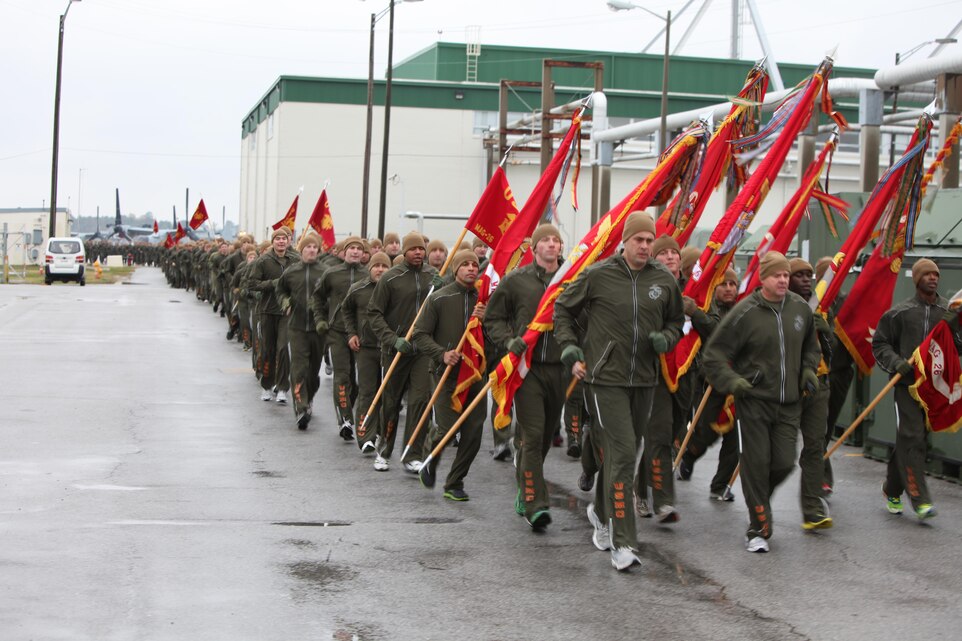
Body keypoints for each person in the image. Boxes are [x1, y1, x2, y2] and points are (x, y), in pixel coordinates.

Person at [555, 212, 684, 570]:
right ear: (624, 241)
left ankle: (599, 508)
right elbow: (562, 308)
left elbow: (676, 321)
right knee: (625, 454)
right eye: (639, 239)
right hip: (603, 378)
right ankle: (623, 543)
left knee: (622, 452)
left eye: (649, 240)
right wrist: (570, 348)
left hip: (644, 380)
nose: (645, 246)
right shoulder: (599, 275)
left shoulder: (664, 281)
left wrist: (668, 338)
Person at [702, 251, 820, 553]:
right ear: (763, 278)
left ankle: (758, 500)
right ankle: (758, 528)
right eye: (777, 275)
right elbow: (713, 355)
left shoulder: (800, 310)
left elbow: (811, 346)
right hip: (753, 401)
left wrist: (808, 368)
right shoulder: (744, 313)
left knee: (783, 462)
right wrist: (733, 382)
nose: (783, 280)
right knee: (755, 464)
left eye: (785, 275)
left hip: (790, 402)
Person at [485, 224, 567, 530]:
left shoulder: (572, 279)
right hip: (526, 368)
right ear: (534, 248)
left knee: (545, 437)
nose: (550, 245)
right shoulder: (516, 281)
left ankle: (525, 482)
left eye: (555, 240)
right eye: (544, 240)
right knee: (532, 435)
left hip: (558, 367)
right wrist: (508, 340)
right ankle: (535, 503)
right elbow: (493, 318)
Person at [873, 258, 962, 520]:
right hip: (907, 387)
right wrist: (896, 363)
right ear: (917, 280)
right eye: (927, 275)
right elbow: (880, 344)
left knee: (913, 439)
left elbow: (957, 348)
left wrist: (953, 326)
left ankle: (891, 488)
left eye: (936, 275)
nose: (933, 278)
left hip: (935, 388)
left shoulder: (949, 312)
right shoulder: (899, 313)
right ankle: (920, 499)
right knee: (912, 436)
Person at [413, 249, 487, 501]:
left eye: (474, 265)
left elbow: (497, 336)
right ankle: (430, 458)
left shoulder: (484, 301)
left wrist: (486, 320)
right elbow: (420, 334)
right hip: (446, 374)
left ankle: (455, 482)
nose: (470, 268)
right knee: (446, 428)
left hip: (477, 375)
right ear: (455, 269)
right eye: (464, 264)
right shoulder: (439, 299)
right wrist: (441, 354)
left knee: (474, 432)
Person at [367, 232, 441, 472]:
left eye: (421, 249)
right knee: (391, 402)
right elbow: (374, 314)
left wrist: (444, 287)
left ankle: (412, 453)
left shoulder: (434, 276)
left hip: (423, 350)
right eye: (413, 249)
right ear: (404, 252)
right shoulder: (390, 278)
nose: (418, 252)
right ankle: (384, 450)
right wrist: (392, 339)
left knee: (420, 401)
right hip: (397, 350)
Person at [677, 268, 740, 502]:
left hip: (735, 384)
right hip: (709, 382)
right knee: (705, 435)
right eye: (723, 284)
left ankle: (720, 484)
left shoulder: (743, 311)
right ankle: (689, 456)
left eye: (733, 284)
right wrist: (695, 313)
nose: (729, 289)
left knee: (734, 439)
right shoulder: (706, 310)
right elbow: (714, 333)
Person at [636, 234, 686, 522]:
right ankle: (664, 500)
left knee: (668, 436)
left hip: (685, 374)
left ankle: (639, 487)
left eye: (673, 252)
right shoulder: (649, 286)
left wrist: (695, 312)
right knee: (660, 435)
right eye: (663, 252)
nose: (669, 257)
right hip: (654, 371)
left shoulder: (694, 289)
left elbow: (713, 327)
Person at [787, 258, 834, 530]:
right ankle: (760, 505)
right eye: (799, 275)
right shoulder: (781, 306)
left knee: (815, 447)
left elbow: (832, 353)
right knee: (780, 452)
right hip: (788, 386)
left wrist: (826, 332)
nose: (806, 279)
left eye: (809, 275)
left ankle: (813, 508)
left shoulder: (821, 308)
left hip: (818, 384)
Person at [311, 236, 366, 440]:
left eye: (358, 249)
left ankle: (349, 409)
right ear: (343, 251)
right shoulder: (332, 273)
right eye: (351, 248)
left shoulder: (368, 274)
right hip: (337, 332)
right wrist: (320, 320)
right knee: (342, 376)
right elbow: (317, 297)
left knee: (356, 380)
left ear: (363, 253)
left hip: (361, 334)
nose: (354, 252)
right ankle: (345, 419)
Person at [276, 233, 328, 430]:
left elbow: (335, 296)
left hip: (318, 328)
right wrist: (285, 302)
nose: (312, 250)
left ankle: (309, 396)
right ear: (301, 249)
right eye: (308, 247)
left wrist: (324, 308)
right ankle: (301, 408)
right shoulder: (291, 272)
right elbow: (280, 291)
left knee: (313, 371)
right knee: (299, 369)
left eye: (315, 247)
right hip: (297, 327)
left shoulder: (325, 272)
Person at [342, 251, 392, 453]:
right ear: (369, 268)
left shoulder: (394, 289)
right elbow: (346, 310)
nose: (380, 269)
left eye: (384, 266)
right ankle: (366, 436)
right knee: (368, 392)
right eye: (376, 266)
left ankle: (380, 431)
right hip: (366, 348)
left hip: (389, 348)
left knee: (387, 393)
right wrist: (352, 333)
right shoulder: (358, 289)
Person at [246, 227, 300, 403]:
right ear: (273, 241)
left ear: (289, 241)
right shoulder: (263, 261)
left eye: (284, 238)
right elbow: (252, 284)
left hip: (287, 312)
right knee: (268, 350)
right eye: (278, 239)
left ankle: (283, 388)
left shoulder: (295, 260)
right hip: (267, 310)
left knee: (283, 349)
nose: (281, 242)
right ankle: (267, 385)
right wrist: (273, 283)